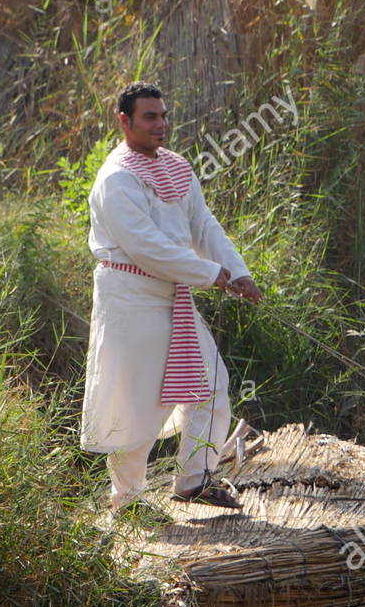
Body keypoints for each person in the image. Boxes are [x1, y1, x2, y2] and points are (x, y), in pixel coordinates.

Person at [80, 81, 262, 515]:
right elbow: (146, 247)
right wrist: (209, 274)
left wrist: (238, 273)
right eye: (150, 117)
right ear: (124, 121)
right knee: (136, 401)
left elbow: (205, 227)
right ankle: (127, 500)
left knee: (211, 386)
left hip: (173, 295)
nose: (161, 125)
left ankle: (193, 480)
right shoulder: (116, 179)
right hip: (130, 298)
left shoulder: (177, 167)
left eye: (163, 116)